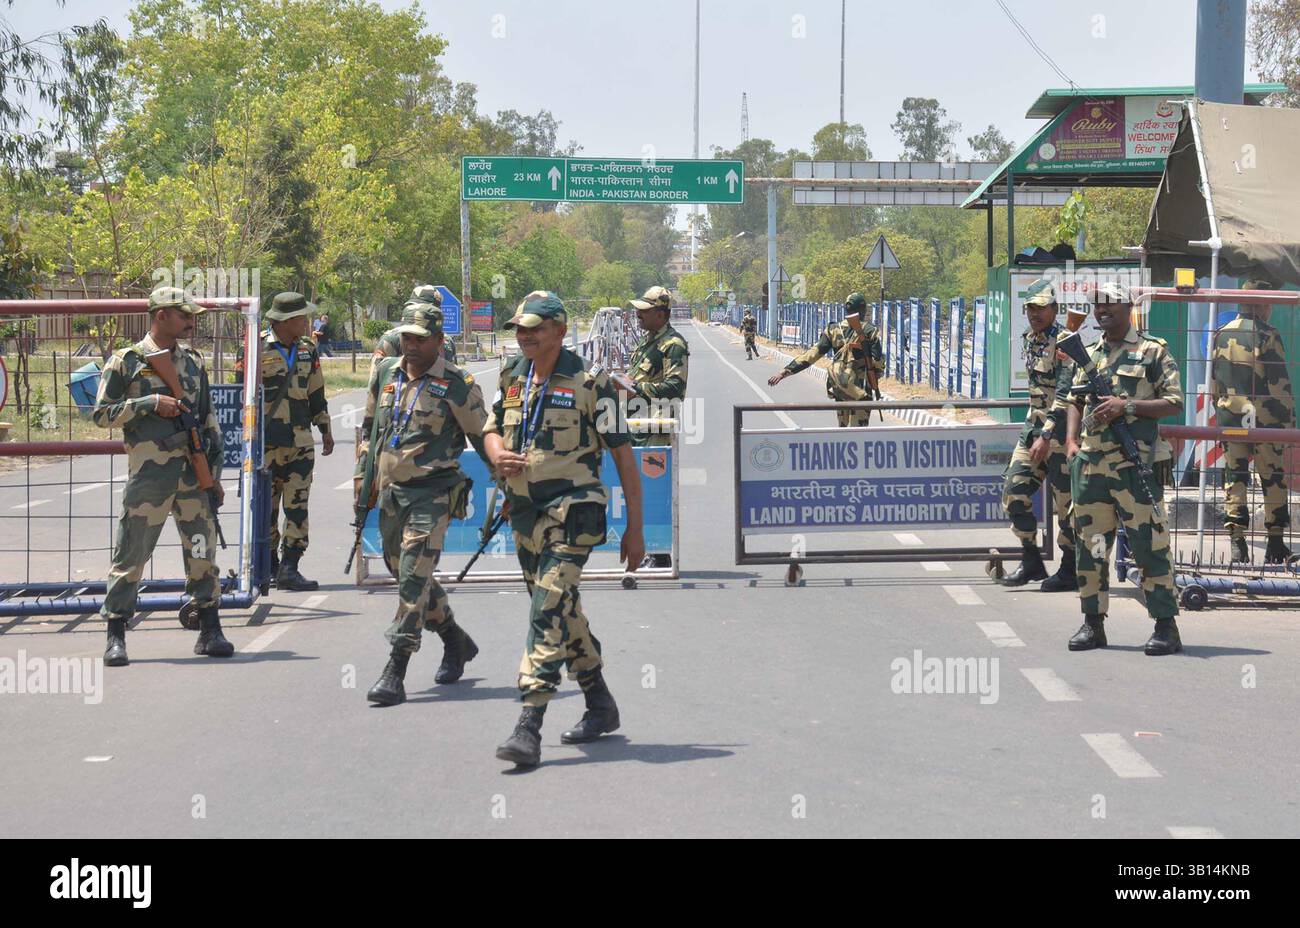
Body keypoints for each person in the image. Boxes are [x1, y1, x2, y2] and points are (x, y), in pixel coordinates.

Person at [483, 293, 645, 767]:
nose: (524, 335)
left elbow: (623, 457)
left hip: (574, 512)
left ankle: (528, 724)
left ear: (559, 328)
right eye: (518, 328)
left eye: (534, 327)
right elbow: (493, 427)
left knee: (545, 610)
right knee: (561, 609)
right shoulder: (513, 374)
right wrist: (495, 452)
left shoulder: (593, 383)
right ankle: (599, 702)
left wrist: (635, 529)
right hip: (526, 513)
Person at [93, 286, 233, 665]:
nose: (191, 322)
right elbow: (101, 414)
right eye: (184, 315)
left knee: (202, 551)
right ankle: (116, 634)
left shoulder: (192, 362)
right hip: (150, 478)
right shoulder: (126, 362)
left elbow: (208, 421)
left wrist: (214, 476)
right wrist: (149, 403)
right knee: (130, 556)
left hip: (192, 475)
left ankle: (210, 628)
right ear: (160, 316)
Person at [359, 304, 489, 705]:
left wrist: (509, 485)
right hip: (390, 493)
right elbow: (371, 430)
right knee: (407, 576)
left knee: (413, 578)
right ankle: (455, 639)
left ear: (438, 340)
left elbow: (484, 439)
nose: (411, 345)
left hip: (433, 495)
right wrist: (363, 487)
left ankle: (395, 669)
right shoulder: (386, 373)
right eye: (406, 337)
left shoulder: (457, 384)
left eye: (420, 338)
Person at [1065, 281, 1183, 656]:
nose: (1102, 311)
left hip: (1136, 467)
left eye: (1111, 304)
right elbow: (1073, 399)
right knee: (1092, 548)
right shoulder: (1089, 353)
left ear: (1128, 306)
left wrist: (1126, 406)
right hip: (1091, 467)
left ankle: (1165, 626)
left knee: (1150, 546)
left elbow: (1174, 402)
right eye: (1097, 305)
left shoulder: (1152, 351)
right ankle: (1093, 623)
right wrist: (1070, 443)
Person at [237, 291, 333, 591]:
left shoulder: (307, 350)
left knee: (298, 506)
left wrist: (325, 429)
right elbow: (239, 393)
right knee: (266, 508)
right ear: (287, 320)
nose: (307, 322)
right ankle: (270, 566)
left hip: (300, 444)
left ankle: (290, 566)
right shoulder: (254, 348)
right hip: (264, 444)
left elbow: (316, 392)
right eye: (302, 317)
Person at [999, 279, 1078, 590]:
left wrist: (1047, 434)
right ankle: (1031, 559)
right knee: (1013, 492)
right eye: (1031, 307)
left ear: (1054, 309)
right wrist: (1037, 432)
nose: (1035, 313)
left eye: (1041, 308)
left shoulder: (1066, 342)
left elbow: (1066, 393)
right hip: (1033, 431)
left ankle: (1069, 570)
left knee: (1066, 507)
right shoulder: (1031, 340)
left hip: (1058, 436)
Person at [1211, 279, 1296, 564]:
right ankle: (1275, 542)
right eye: (1269, 303)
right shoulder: (1267, 334)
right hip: (1265, 420)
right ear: (1260, 303)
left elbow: (1215, 383)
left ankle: (1237, 542)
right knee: (1272, 478)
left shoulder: (1221, 333)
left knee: (1235, 479)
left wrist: (1219, 411)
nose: (1271, 309)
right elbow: (1279, 384)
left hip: (1231, 418)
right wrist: (1289, 425)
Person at [768, 292, 884, 427]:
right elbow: (879, 363)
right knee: (857, 436)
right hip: (861, 390)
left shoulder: (833, 329)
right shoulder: (870, 331)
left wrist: (784, 372)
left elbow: (811, 355)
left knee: (843, 432)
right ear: (863, 309)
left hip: (841, 388)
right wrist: (874, 373)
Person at [612, 285, 689, 447]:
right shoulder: (647, 341)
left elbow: (676, 388)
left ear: (660, 314)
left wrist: (635, 388)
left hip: (653, 430)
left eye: (644, 311)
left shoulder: (673, 344)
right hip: (635, 423)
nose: (638, 314)